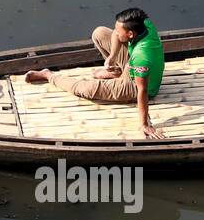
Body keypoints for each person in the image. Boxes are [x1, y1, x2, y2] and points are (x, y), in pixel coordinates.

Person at [25, 7, 166, 139]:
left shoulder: (142, 55)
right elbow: (117, 36)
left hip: (134, 85)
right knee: (99, 33)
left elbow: (142, 90)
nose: (116, 32)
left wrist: (144, 125)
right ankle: (117, 71)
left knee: (87, 89)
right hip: (131, 64)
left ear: (130, 34)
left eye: (118, 30)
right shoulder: (144, 23)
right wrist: (112, 57)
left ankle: (48, 75)